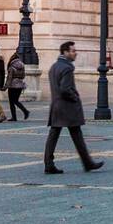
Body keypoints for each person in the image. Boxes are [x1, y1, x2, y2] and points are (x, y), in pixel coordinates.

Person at [44, 40, 103, 175]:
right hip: (67, 107)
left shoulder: (54, 67)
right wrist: (75, 97)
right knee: (76, 135)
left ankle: (49, 163)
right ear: (65, 52)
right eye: (73, 51)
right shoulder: (67, 68)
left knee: (54, 135)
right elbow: (65, 89)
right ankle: (87, 163)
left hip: (56, 105)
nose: (75, 53)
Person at [6, 52, 30, 121]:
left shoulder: (12, 66)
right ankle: (25, 111)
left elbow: (9, 78)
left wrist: (5, 87)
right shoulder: (22, 65)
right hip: (20, 85)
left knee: (11, 102)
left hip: (12, 86)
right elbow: (23, 76)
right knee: (16, 101)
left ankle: (15, 117)